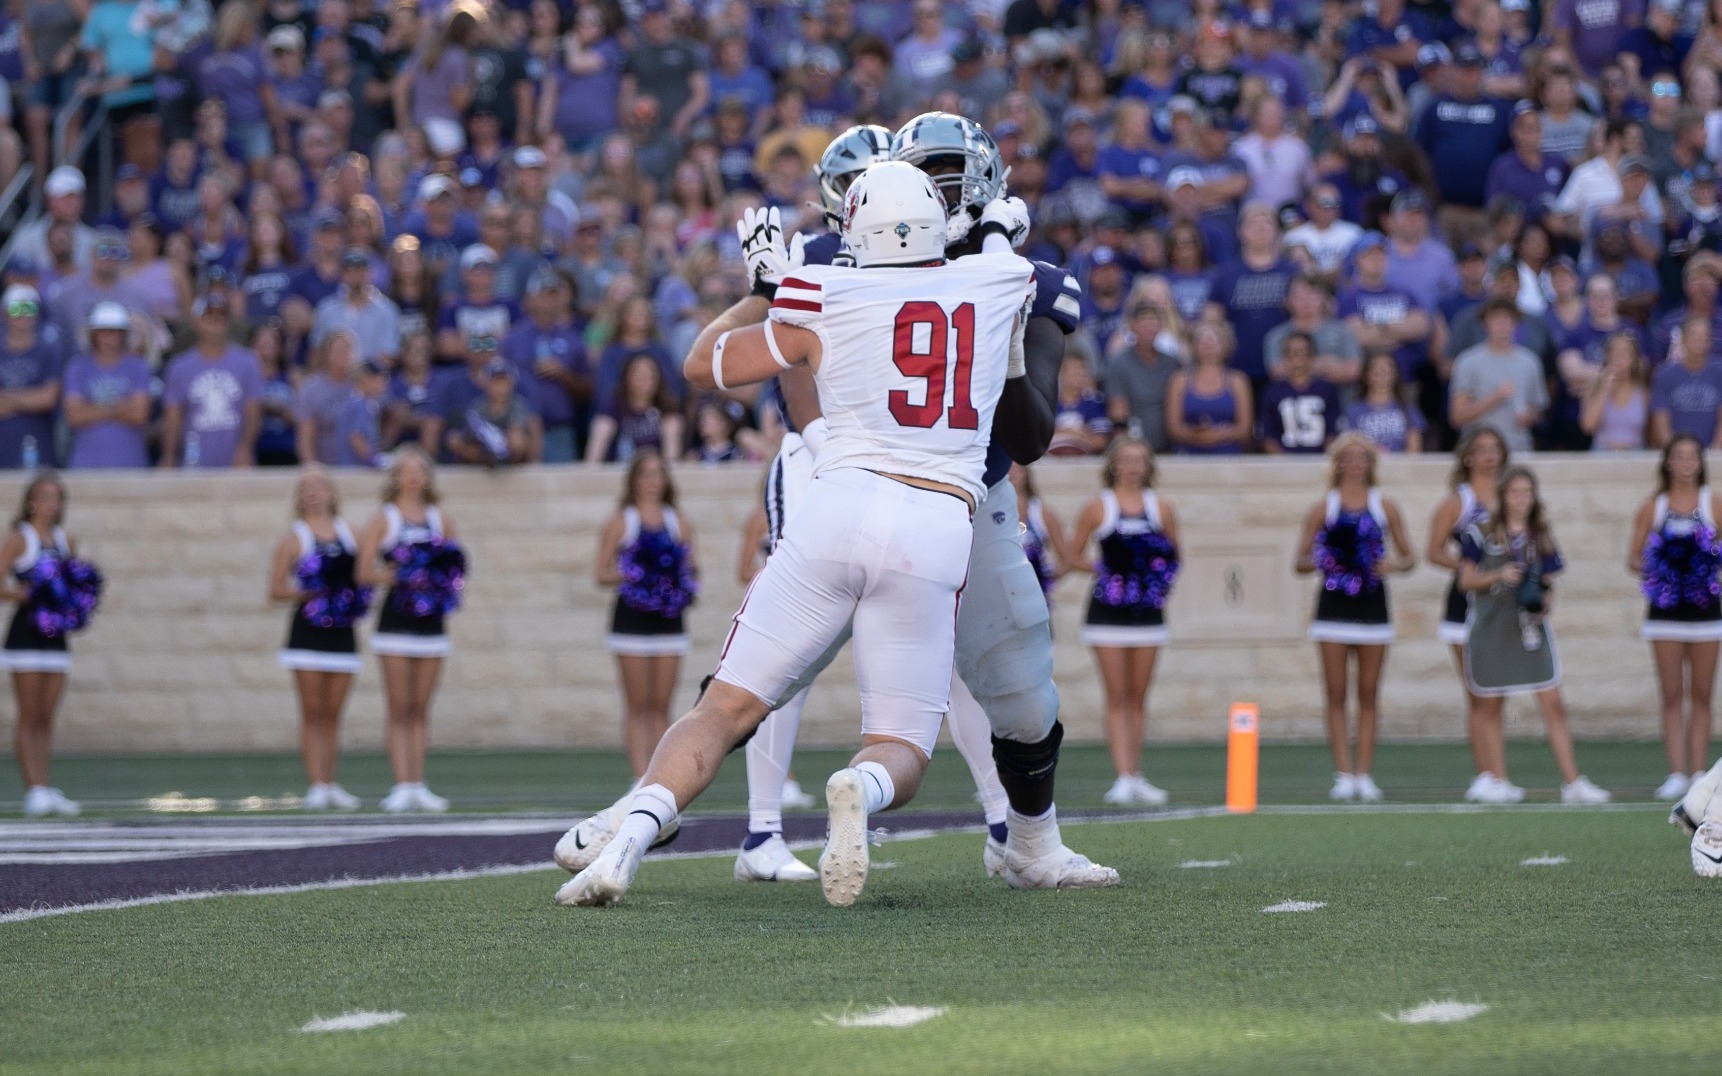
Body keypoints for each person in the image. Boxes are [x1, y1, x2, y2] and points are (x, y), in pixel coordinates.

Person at [556, 163, 1077, 909]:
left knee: (722, 710)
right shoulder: (996, 281)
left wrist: (763, 289)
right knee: (899, 745)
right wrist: (995, 224)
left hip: (836, 511)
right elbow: (1001, 259)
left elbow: (702, 365)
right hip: (931, 527)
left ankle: (626, 844)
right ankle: (860, 788)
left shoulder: (826, 290)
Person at [1459, 465, 1611, 804]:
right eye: (1514, 492)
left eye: (1527, 492)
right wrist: (1499, 574)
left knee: (1553, 702)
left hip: (1529, 627)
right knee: (1491, 703)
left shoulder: (1539, 533)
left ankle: (1573, 782)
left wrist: (1544, 603)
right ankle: (1498, 780)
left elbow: (1548, 582)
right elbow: (1465, 580)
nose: (1521, 499)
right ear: (1502, 496)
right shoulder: (1481, 532)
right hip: (1492, 626)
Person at [1294, 434, 1417, 801]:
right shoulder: (1323, 508)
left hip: (1373, 606)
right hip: (1333, 608)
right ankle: (1343, 774)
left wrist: (1392, 565)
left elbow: (1410, 557)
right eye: (1347, 457)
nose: (1355, 463)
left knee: (1368, 693)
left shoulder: (1385, 506)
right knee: (1335, 693)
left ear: (1370, 463)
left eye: (1362, 457)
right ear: (1337, 463)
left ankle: (1364, 773)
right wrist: (1328, 560)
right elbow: (1299, 561)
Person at [1069, 438, 1180, 806]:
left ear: (1149, 466)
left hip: (1148, 614)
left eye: (1140, 460)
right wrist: (1109, 572)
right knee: (1116, 696)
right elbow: (1072, 554)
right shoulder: (1098, 507)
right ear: (1113, 464)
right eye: (1126, 460)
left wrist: (1151, 580)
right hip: (1107, 614)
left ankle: (1136, 773)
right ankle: (1122, 776)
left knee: (1138, 697)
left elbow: (1175, 555)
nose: (1133, 467)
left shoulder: (1161, 507)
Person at [355, 447, 464, 814]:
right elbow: (362, 572)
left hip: (431, 623)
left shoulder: (440, 518)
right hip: (396, 622)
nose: (414, 476)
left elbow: (456, 567)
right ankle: (401, 784)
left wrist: (439, 581)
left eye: (421, 470)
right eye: (407, 470)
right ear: (396, 477)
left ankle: (418, 784)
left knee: (420, 707)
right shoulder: (383, 519)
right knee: (398, 706)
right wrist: (397, 575)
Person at [596, 451, 698, 789]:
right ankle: (638, 777)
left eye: (658, 474)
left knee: (661, 705)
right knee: (637, 704)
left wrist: (673, 576)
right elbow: (601, 573)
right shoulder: (621, 521)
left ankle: (659, 778)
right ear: (634, 480)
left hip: (669, 622)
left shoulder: (678, 521)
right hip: (631, 623)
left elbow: (691, 569)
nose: (652, 481)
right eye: (645, 474)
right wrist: (637, 573)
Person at [1628, 435, 1722, 802]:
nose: (1686, 463)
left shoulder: (1713, 502)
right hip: (1665, 613)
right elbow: (1633, 557)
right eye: (1678, 456)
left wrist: (1704, 564)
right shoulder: (1653, 506)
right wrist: (1661, 568)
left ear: (1700, 462)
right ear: (1667, 462)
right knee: (1671, 695)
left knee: (1701, 695)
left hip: (1706, 613)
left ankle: (1698, 773)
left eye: (1692, 456)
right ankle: (1676, 774)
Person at [267, 466, 365, 811]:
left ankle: (331, 782)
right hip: (307, 633)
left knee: (334, 713)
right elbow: (275, 589)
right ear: (299, 497)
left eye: (319, 485)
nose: (313, 492)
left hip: (342, 632)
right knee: (312, 712)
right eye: (305, 487)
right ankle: (316, 785)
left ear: (331, 492)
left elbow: (364, 575)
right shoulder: (294, 538)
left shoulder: (352, 533)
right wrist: (310, 593)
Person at [1428, 427, 1514, 800]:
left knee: (1498, 694)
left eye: (1495, 448)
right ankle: (1485, 775)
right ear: (1468, 456)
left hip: (1504, 605)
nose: (1489, 456)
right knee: (1478, 692)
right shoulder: (1457, 501)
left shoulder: (1512, 496)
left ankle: (1499, 774)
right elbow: (1433, 551)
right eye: (1481, 449)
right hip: (1465, 605)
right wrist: (1472, 569)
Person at [1, 473, 93, 817]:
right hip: (25, 635)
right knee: (28, 714)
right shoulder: (18, 539)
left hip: (56, 636)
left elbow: (73, 584)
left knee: (46, 715)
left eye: (57, 497)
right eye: (44, 497)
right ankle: (33, 790)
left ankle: (45, 785)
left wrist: (75, 604)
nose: (51, 504)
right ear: (30, 502)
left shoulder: (66, 539)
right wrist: (23, 594)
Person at [160, 293, 264, 469]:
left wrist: (245, 448)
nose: (216, 321)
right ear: (196, 322)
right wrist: (169, 457)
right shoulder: (179, 367)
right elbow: (173, 418)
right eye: (209, 316)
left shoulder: (248, 362)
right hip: (194, 462)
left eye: (222, 316)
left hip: (236, 464)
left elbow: (254, 411)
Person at [1449, 298, 1548, 453]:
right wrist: (1496, 397)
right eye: (1496, 320)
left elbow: (1538, 408)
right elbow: (1457, 416)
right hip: (1478, 452)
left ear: (1516, 324)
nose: (1502, 326)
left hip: (1519, 448)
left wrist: (1529, 416)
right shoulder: (1467, 361)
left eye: (1508, 319)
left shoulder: (1530, 362)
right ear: (1484, 324)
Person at [62, 303, 151, 469]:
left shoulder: (139, 367)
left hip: (131, 463)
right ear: (93, 335)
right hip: (86, 464)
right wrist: (121, 407)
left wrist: (92, 409)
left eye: (115, 332)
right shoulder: (77, 368)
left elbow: (139, 414)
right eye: (103, 332)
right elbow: (75, 416)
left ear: (124, 335)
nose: (109, 338)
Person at [1166, 321, 1254, 455]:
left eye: (1214, 340)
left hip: (1229, 457)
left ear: (1226, 345)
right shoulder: (1179, 380)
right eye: (1202, 340)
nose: (1208, 345)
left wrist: (1217, 435)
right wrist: (1197, 435)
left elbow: (1245, 429)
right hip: (1187, 455)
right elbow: (1173, 428)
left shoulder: (1238, 381)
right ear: (1193, 346)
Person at [0, 285, 63, 469]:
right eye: (16, 308)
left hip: (39, 439)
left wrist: (8, 400)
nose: (23, 314)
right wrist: (31, 398)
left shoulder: (49, 350)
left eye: (29, 308)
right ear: (5, 313)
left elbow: (48, 398)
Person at [1260, 331, 1342, 454]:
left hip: (1319, 459)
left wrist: (1324, 458)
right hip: (1283, 461)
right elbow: (1267, 435)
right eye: (1293, 353)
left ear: (1312, 356)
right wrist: (1283, 461)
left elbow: (1333, 431)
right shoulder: (1273, 392)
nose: (1298, 359)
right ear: (1285, 357)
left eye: (1303, 352)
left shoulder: (1326, 389)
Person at [1651, 317, 1722, 448]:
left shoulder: (1718, 373)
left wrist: (1716, 451)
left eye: (1704, 336)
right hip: (1675, 450)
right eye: (1694, 336)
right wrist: (1675, 453)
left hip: (1714, 450)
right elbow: (1661, 418)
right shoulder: (1665, 375)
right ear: (1682, 340)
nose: (1700, 341)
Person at [1344, 351, 1427, 453]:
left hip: (1401, 463)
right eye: (1377, 372)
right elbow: (1351, 446)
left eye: (1387, 371)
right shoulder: (1354, 410)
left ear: (1395, 374)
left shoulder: (1408, 408)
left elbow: (1414, 449)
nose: (1382, 376)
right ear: (1366, 375)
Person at [1580, 331, 1650, 451]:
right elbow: (1588, 426)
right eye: (1614, 352)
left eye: (1625, 352)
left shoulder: (1643, 391)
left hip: (1636, 452)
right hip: (1602, 452)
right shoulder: (1593, 388)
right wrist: (1604, 389)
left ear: (1634, 358)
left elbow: (1650, 431)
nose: (1619, 358)